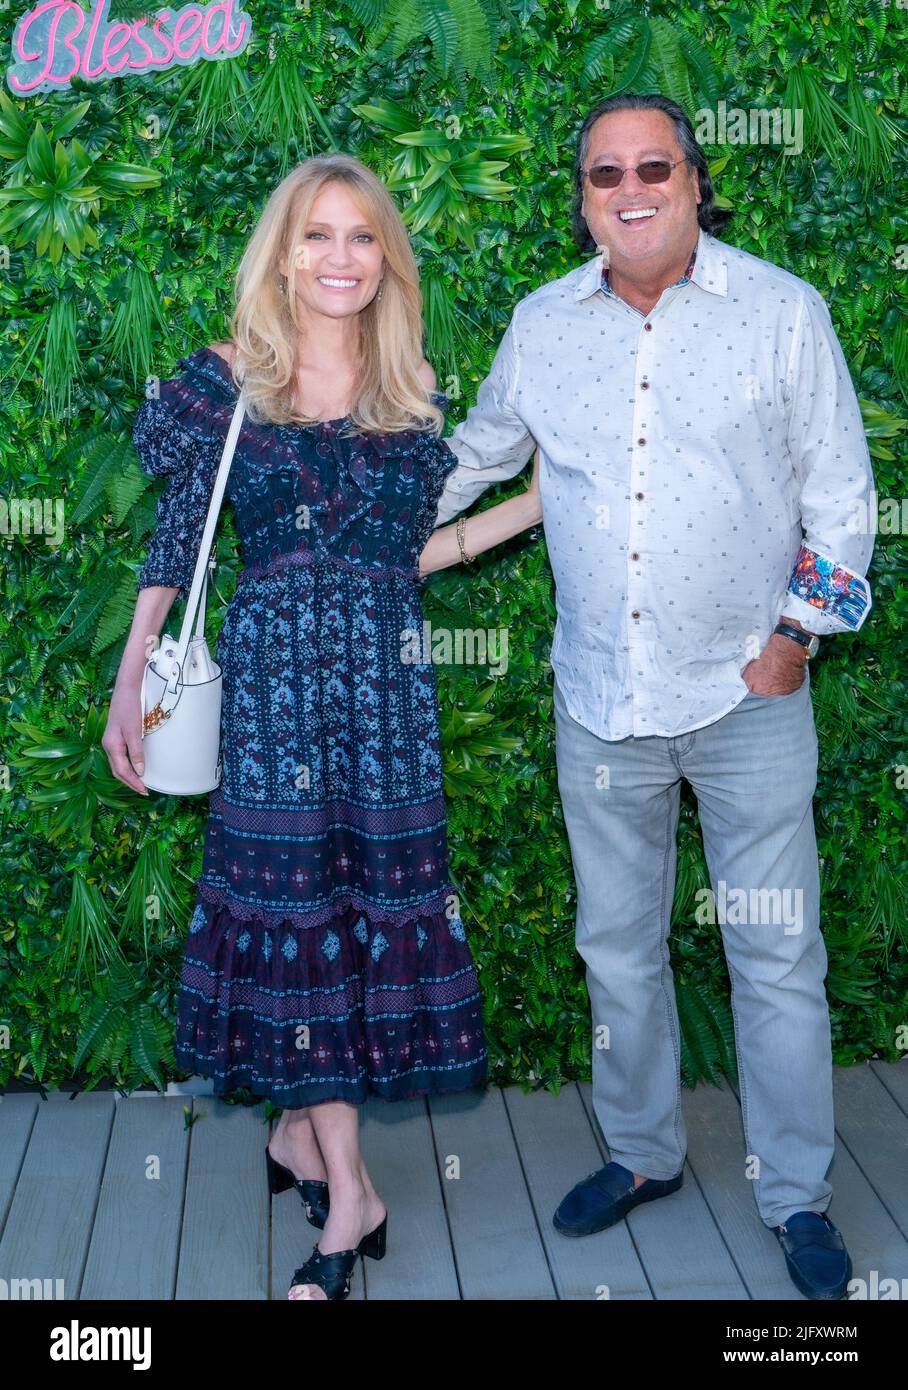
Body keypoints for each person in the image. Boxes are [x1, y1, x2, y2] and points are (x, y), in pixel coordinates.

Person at [432, 93, 875, 1302]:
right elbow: (472, 457)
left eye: (652, 167)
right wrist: (342, 518)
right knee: (616, 948)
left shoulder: (781, 314)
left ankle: (795, 1195)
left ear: (692, 180)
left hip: (747, 698)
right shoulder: (541, 326)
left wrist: (795, 637)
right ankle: (641, 1155)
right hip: (598, 705)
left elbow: (841, 497)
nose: (628, 188)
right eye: (601, 173)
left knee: (775, 953)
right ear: (580, 199)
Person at [103, 152, 541, 1301]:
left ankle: (303, 1141)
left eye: (359, 237)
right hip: (270, 699)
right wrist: (130, 678)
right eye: (315, 236)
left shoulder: (413, 385)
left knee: (352, 917)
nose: (338, 259)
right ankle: (352, 1195)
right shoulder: (229, 381)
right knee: (294, 915)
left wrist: (537, 504)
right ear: (281, 253)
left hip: (386, 700)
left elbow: (411, 555)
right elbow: (177, 544)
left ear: (385, 257)